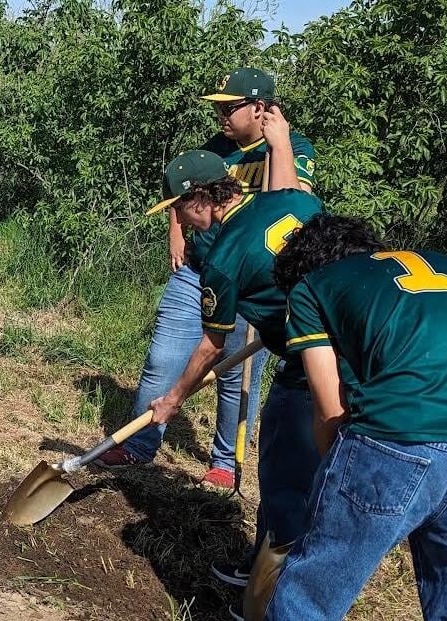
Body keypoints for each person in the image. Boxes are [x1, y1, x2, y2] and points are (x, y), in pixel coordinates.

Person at [97, 67, 316, 495]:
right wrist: (178, 233)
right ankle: (138, 444)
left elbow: (290, 210)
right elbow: (182, 195)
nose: (221, 116)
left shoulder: (291, 148)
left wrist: (280, 146)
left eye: (228, 107)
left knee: (235, 375)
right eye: (218, 107)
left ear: (260, 107)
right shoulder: (217, 150)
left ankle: (225, 462)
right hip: (201, 269)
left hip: (251, 284)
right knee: (163, 357)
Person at [143, 149, 321, 621]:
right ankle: (262, 570)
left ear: (201, 197)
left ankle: (275, 600)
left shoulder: (222, 258)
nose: (179, 219)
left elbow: (210, 348)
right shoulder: (290, 199)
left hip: (310, 364)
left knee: (284, 468)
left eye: (179, 208)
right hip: (353, 346)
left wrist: (175, 398)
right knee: (306, 472)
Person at [264, 214, 447, 620]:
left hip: (398, 432)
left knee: (310, 597)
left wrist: (333, 486)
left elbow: (330, 407)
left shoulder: (313, 287)